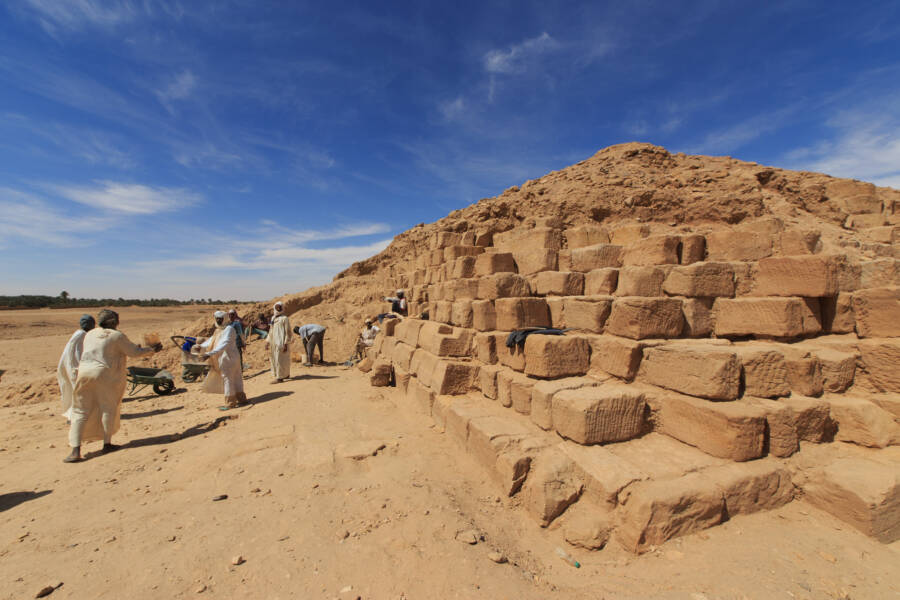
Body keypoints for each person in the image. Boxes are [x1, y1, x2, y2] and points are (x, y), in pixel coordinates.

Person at [64, 309, 162, 463]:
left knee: (80, 411)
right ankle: (107, 444)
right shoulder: (117, 336)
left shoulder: (90, 334)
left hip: (84, 374)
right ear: (115, 322)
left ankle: (75, 450)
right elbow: (134, 353)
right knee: (108, 408)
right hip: (105, 376)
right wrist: (152, 350)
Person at [197, 311, 248, 409]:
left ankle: (230, 402)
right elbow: (212, 341)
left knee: (228, 379)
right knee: (236, 378)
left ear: (225, 319)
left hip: (228, 358)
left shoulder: (229, 329)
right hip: (230, 357)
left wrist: (208, 354)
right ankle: (242, 399)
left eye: (220, 319)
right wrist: (201, 347)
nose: (218, 321)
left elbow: (224, 344)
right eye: (217, 319)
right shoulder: (219, 330)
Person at [57, 314, 95, 422]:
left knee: (75, 393)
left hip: (70, 368)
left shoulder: (78, 333)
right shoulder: (82, 335)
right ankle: (76, 418)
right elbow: (78, 355)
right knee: (79, 394)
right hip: (75, 369)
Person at [267, 302, 291, 382]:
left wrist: (286, 343)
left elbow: (288, 332)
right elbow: (271, 330)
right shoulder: (273, 318)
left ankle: (280, 377)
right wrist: (267, 341)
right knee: (277, 359)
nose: (278, 308)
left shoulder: (284, 318)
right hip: (273, 343)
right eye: (277, 307)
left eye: (280, 307)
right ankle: (285, 374)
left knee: (281, 360)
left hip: (281, 343)